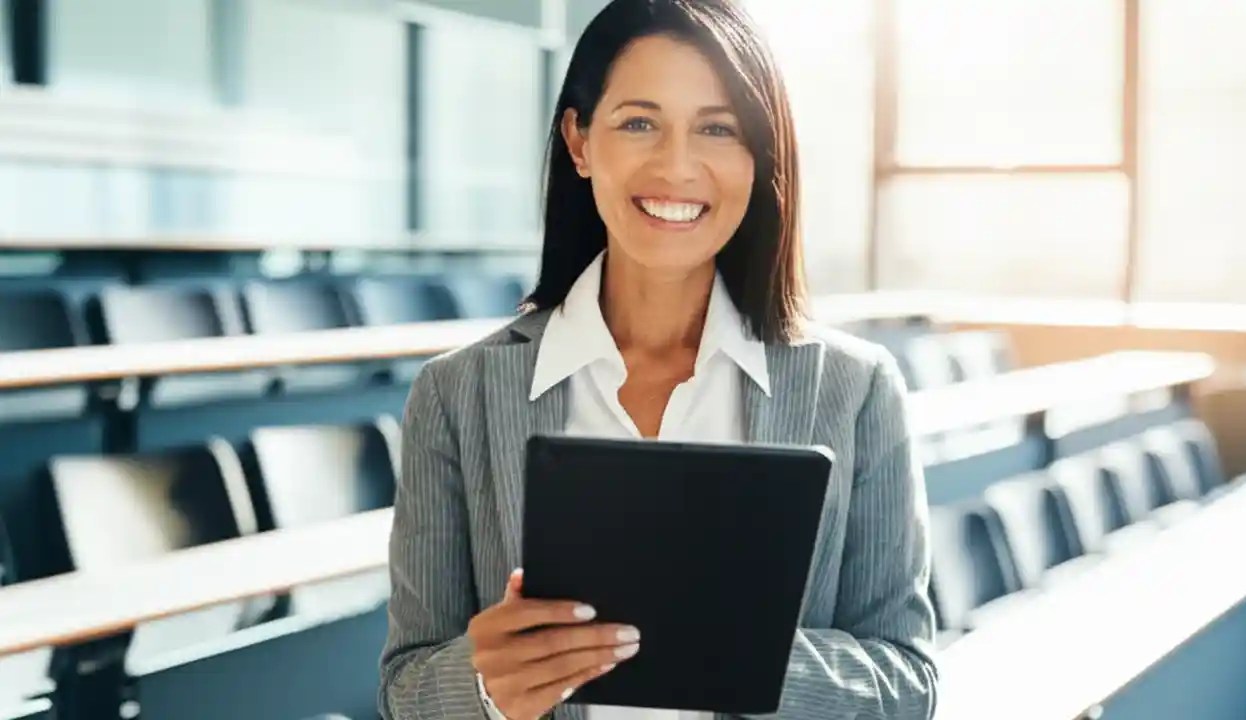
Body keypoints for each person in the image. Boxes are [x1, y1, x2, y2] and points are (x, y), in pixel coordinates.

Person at [378, 1, 937, 718]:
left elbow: (909, 686)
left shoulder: (857, 392)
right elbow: (404, 692)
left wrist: (732, 645)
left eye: (717, 128)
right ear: (579, 141)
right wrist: (486, 684)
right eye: (639, 122)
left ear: (759, 153)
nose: (677, 166)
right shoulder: (456, 394)